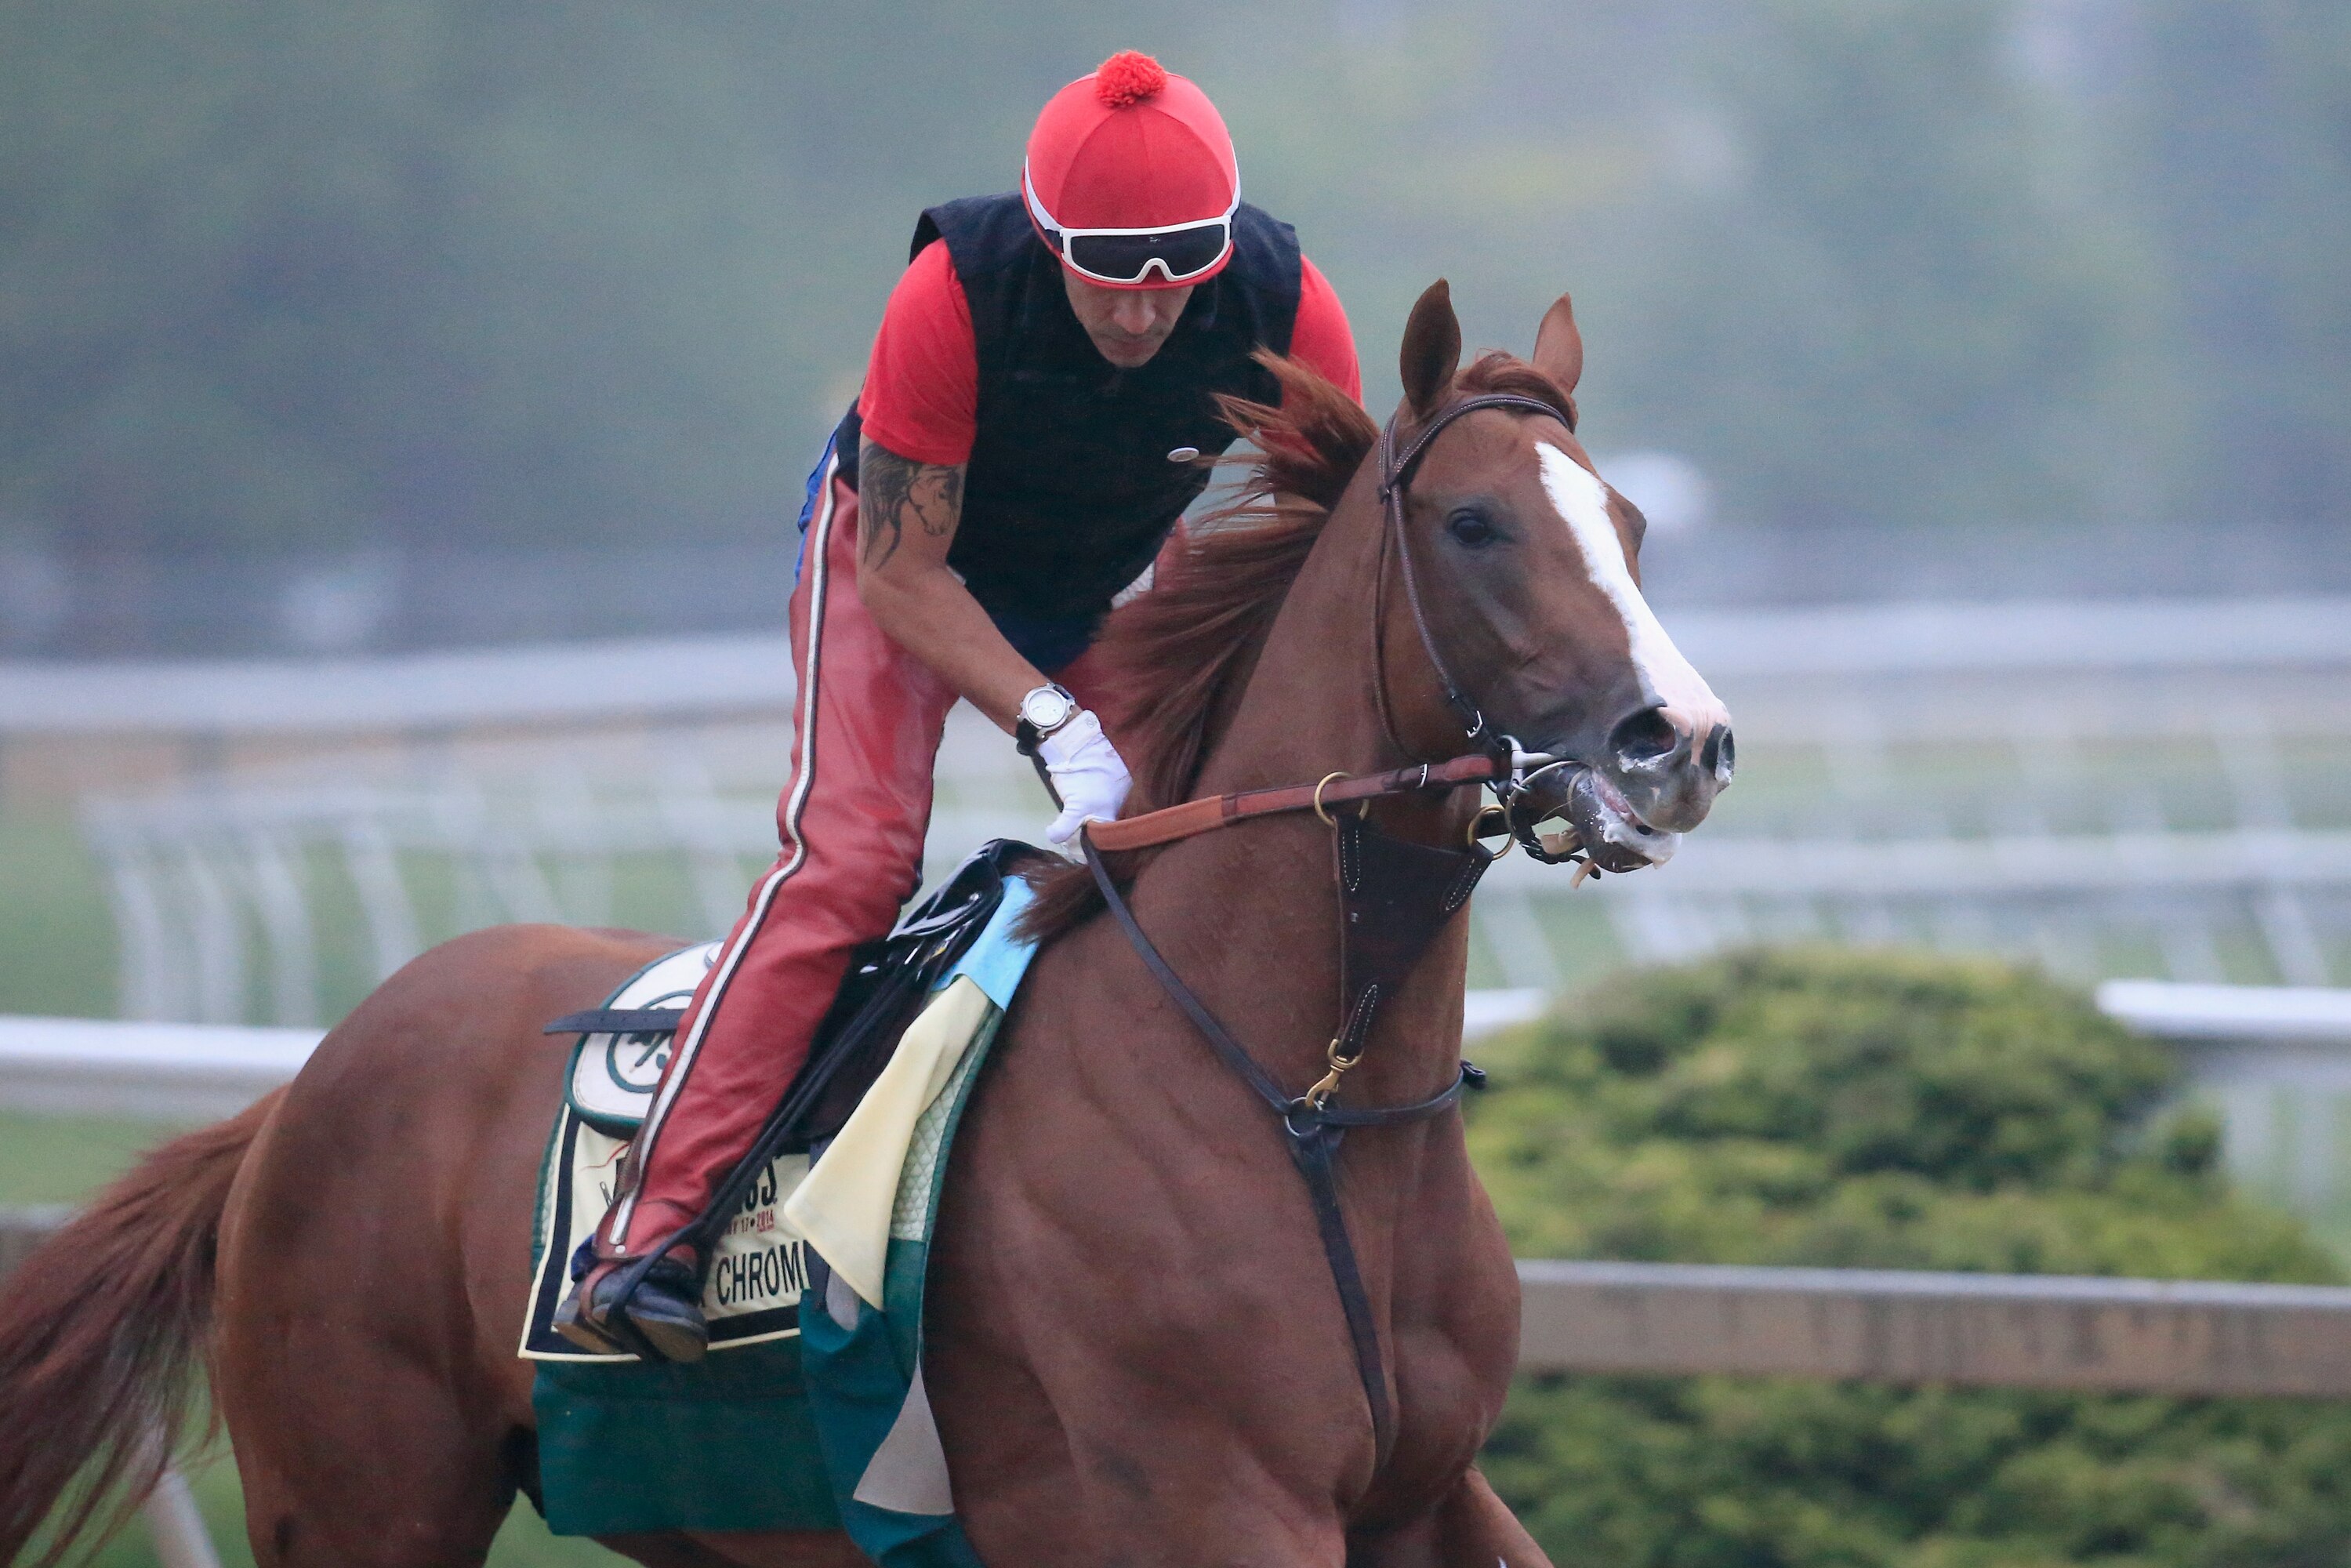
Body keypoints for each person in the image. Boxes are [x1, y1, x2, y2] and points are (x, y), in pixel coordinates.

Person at [558, 49, 1363, 1361]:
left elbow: (1329, 538)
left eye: (1177, 286)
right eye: (1114, 286)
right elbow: (904, 572)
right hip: (901, 561)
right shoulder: (950, 296)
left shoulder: (1287, 302)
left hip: (1103, 575)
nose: (1148, 320)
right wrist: (1054, 725)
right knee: (855, 861)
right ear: (1052, 246)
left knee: (1197, 843)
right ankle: (647, 1233)